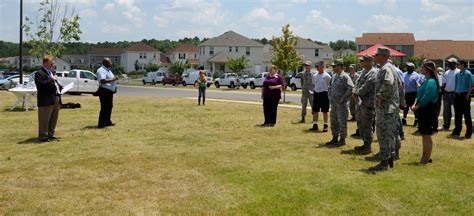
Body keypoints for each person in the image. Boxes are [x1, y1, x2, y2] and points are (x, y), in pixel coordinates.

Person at [369, 47, 400, 172]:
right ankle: (389, 158)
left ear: (383, 56)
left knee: (383, 135)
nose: (374, 57)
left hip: (386, 108)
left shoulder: (386, 68)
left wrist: (379, 97)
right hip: (390, 108)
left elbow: (388, 84)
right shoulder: (389, 67)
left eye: (376, 55)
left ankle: (384, 162)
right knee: (389, 134)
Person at [412, 61, 439, 164]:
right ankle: (425, 156)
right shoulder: (426, 80)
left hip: (427, 109)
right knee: (424, 134)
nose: (420, 69)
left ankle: (426, 158)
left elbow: (427, 96)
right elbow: (420, 94)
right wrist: (415, 103)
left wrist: (417, 106)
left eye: (422, 67)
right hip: (423, 109)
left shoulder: (431, 81)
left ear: (427, 69)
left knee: (426, 135)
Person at [352, 55, 378, 154]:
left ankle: (368, 147)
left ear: (369, 61)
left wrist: (356, 93)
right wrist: (354, 92)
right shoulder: (363, 72)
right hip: (360, 103)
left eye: (363, 61)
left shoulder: (373, 73)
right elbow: (356, 83)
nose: (361, 62)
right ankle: (364, 143)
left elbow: (368, 86)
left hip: (368, 104)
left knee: (367, 125)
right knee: (360, 124)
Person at [325, 59, 354, 146]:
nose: (333, 68)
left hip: (341, 105)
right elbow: (330, 87)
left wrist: (343, 99)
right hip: (333, 104)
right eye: (333, 66)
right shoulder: (334, 76)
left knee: (342, 122)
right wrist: (329, 96)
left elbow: (351, 88)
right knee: (334, 121)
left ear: (340, 66)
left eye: (334, 66)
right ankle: (334, 137)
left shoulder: (345, 76)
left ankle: (342, 139)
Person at [35, 55, 62, 142]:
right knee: (44, 119)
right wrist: (51, 79)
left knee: (53, 118)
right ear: (45, 63)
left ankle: (51, 134)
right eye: (51, 63)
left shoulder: (52, 72)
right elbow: (41, 85)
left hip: (55, 98)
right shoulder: (39, 73)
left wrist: (62, 88)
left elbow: (55, 84)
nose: (52, 65)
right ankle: (43, 136)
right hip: (46, 100)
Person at [451, 60, 473, 139]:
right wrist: (455, 94)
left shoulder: (468, 74)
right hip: (457, 96)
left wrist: (467, 96)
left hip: (464, 96)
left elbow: (471, 86)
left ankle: (468, 133)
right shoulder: (457, 74)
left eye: (458, 64)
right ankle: (457, 131)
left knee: (467, 116)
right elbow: (456, 85)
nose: (457, 65)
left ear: (463, 65)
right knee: (457, 115)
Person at [309, 61, 331, 132]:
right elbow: (314, 84)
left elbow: (329, 85)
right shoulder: (315, 75)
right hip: (316, 94)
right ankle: (315, 125)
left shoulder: (327, 76)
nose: (317, 68)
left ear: (322, 67)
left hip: (324, 94)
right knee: (315, 110)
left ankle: (325, 125)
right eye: (316, 66)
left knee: (325, 111)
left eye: (318, 66)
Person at [96, 58, 118, 128]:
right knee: (104, 107)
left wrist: (114, 78)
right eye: (110, 62)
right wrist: (113, 79)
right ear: (106, 63)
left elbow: (110, 78)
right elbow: (103, 80)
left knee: (109, 106)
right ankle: (101, 124)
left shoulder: (108, 70)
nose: (111, 63)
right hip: (104, 91)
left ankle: (108, 121)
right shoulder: (101, 70)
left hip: (109, 91)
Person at [439, 58, 459, 130]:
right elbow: (444, 83)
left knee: (457, 111)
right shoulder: (447, 72)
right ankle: (446, 125)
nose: (449, 64)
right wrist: (442, 92)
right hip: (446, 93)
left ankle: (457, 126)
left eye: (451, 63)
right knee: (446, 111)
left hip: (455, 94)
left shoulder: (458, 72)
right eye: (449, 63)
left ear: (455, 63)